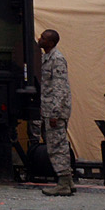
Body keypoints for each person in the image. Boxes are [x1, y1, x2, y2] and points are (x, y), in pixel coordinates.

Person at [37, 29, 74, 197]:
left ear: (51, 43)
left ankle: (63, 183)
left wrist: (55, 113)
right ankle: (68, 181)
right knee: (58, 143)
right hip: (49, 109)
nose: (40, 39)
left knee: (57, 146)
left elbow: (60, 88)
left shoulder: (57, 60)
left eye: (43, 38)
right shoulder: (46, 58)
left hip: (55, 111)